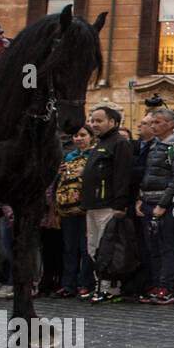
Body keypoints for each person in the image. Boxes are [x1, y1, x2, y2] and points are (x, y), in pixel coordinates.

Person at [136, 109, 174, 305]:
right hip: (148, 199)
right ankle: (156, 283)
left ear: (170, 124)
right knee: (153, 246)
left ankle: (167, 286)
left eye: (157, 122)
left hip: (167, 202)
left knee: (168, 245)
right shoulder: (153, 146)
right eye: (152, 123)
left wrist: (163, 204)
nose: (153, 126)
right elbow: (146, 174)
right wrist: (140, 197)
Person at [80, 105, 134, 302]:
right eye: (92, 120)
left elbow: (123, 175)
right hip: (92, 204)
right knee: (93, 247)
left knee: (108, 248)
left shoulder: (119, 143)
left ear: (113, 122)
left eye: (98, 121)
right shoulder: (99, 143)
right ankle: (99, 284)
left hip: (108, 204)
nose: (94, 124)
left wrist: (120, 205)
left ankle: (110, 288)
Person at [53, 125, 95, 299]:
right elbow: (58, 182)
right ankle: (68, 284)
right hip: (67, 208)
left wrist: (85, 172)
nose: (79, 139)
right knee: (69, 248)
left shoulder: (93, 155)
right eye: (76, 136)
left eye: (83, 135)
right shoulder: (69, 156)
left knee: (86, 249)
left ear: (91, 137)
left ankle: (86, 283)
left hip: (85, 208)